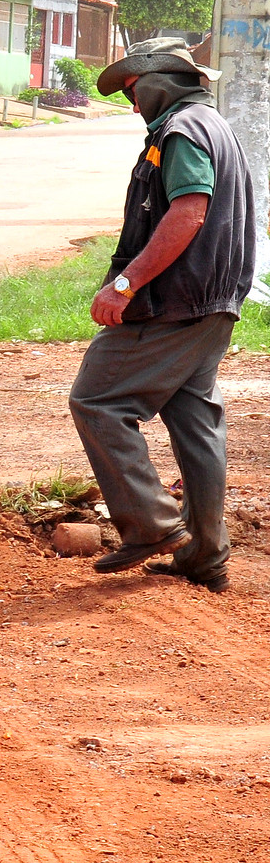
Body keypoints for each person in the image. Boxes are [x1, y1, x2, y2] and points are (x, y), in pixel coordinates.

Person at [74, 37, 256, 593]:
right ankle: (204, 557)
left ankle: (151, 525)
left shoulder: (180, 131)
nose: (131, 103)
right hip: (213, 303)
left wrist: (126, 284)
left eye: (132, 88)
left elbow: (189, 211)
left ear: (159, 79)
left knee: (97, 398)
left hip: (175, 304)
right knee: (195, 422)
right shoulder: (211, 124)